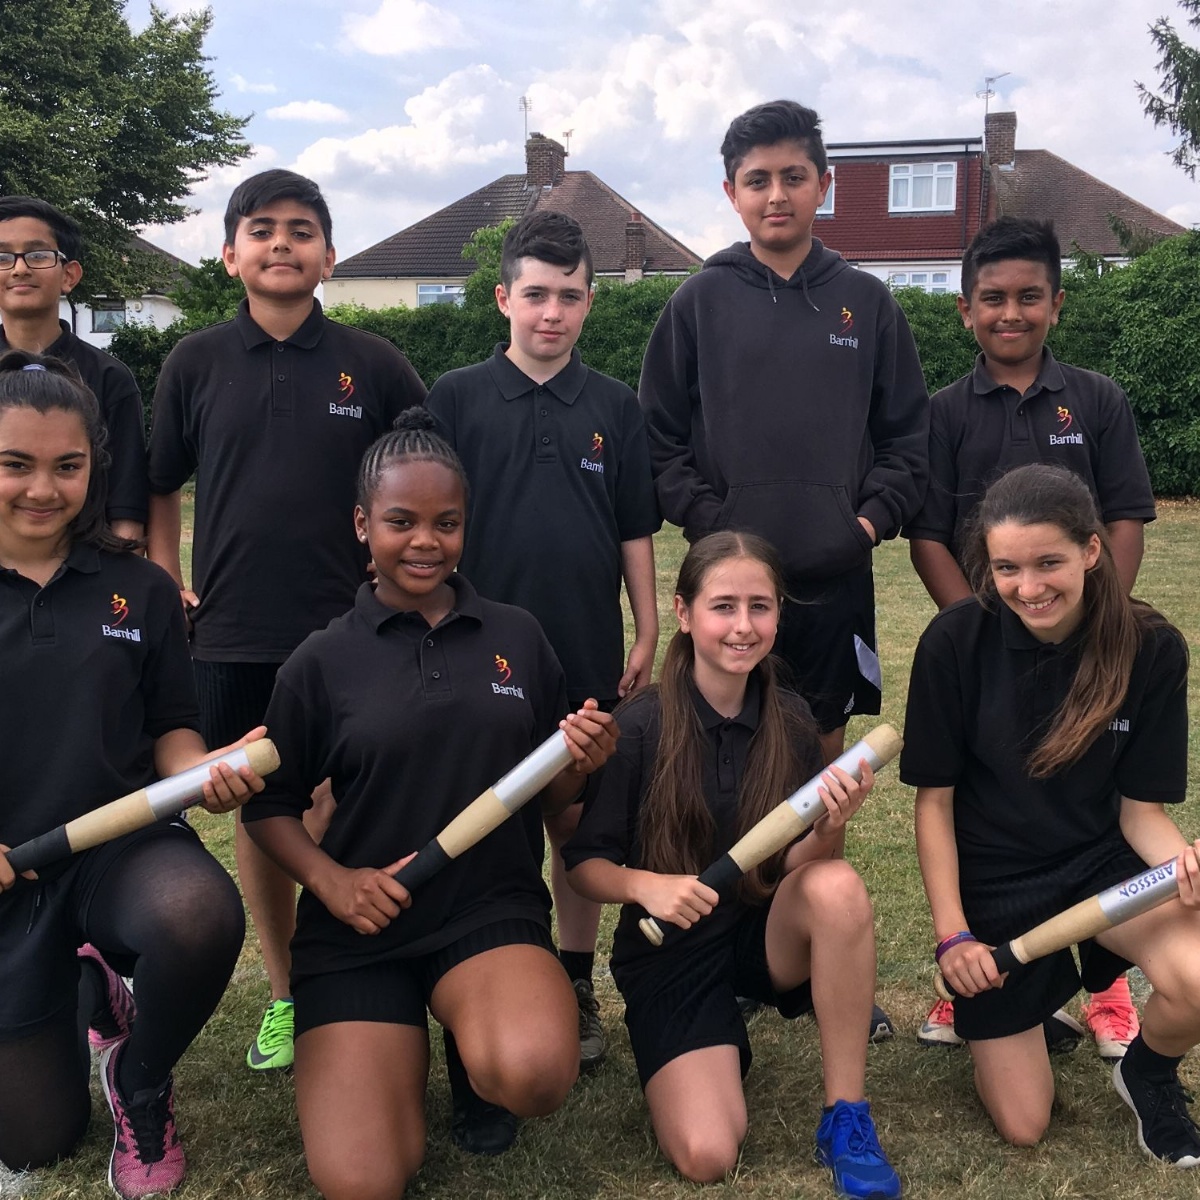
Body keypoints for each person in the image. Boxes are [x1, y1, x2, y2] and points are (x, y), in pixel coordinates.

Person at [241, 409, 618, 1197]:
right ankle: (393, 1052)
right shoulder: (321, 660)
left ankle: (472, 1052)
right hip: (361, 928)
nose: (425, 542)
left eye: (446, 523)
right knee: (364, 1181)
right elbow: (268, 807)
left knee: (534, 1072)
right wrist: (333, 884)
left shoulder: (517, 635)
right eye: (401, 522)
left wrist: (579, 764)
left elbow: (553, 799)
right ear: (362, 524)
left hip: (486, 909)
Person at [638, 99, 928, 1041]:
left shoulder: (867, 304)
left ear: (823, 186)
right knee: (714, 764)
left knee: (823, 776)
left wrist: (864, 524)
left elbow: (908, 444)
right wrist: (717, 528)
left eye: (793, 176)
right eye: (756, 180)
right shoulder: (698, 302)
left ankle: (813, 959)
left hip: (832, 588)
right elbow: (659, 443)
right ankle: (719, 960)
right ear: (731, 192)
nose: (776, 194)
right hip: (730, 592)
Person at [146, 169, 427, 1074]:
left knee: (347, 803)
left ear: (330, 257)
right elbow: (160, 483)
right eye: (262, 229)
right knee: (263, 814)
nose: (281, 244)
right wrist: (166, 576)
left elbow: (425, 480)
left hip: (353, 636)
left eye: (301, 231)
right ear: (230, 255)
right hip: (232, 635)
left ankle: (356, 972)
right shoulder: (193, 362)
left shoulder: (374, 364)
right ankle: (285, 991)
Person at [0, 352, 268, 1199]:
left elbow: (172, 731)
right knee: (35, 1140)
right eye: (15, 464)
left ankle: (139, 1078)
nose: (42, 489)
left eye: (67, 466)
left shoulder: (141, 588)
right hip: (9, 872)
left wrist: (200, 772)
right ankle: (91, 987)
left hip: (116, 850)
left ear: (95, 468)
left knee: (197, 914)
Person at [564, 531, 901, 1199]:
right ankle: (708, 1044)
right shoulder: (640, 726)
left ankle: (846, 1116)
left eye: (760, 606)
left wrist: (828, 828)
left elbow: (795, 867)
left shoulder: (792, 720)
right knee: (707, 1153)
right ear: (683, 612)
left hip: (758, 932)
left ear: (779, 613)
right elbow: (584, 866)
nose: (743, 626)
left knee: (836, 885)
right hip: (670, 954)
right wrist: (647, 887)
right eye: (723, 606)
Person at [905, 217, 1156, 1056]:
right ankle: (970, 975)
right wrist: (975, 634)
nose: (1009, 313)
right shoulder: (942, 413)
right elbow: (929, 535)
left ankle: (1106, 985)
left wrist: (1100, 626)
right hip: (986, 655)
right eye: (992, 299)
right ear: (965, 310)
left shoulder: (1097, 399)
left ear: (1056, 302)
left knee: (1090, 799)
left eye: (1028, 297)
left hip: (1086, 645)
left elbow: (1125, 517)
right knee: (985, 801)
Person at [902, 462, 1200, 1166]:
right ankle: (1034, 1008)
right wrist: (953, 937)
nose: (1028, 588)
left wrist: (1182, 865)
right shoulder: (954, 642)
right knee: (1024, 1123)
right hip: (997, 880)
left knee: (1196, 979)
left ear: (1091, 550)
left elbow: (1140, 814)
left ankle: (1148, 1073)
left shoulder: (1151, 647)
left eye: (1048, 563)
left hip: (1101, 866)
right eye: (1007, 568)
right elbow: (934, 805)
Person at [426, 210, 661, 1072]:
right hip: (474, 654)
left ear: (590, 302)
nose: (551, 312)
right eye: (535, 295)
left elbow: (634, 527)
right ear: (503, 299)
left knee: (574, 819)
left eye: (568, 295)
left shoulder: (616, 406)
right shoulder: (454, 398)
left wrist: (647, 624)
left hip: (582, 646)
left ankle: (572, 977)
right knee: (481, 817)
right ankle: (475, 974)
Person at [0, 196, 148, 542]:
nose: (19, 269)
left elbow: (126, 507)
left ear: (69, 275)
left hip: (88, 564)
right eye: (3, 257)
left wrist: (122, 569)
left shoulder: (109, 378)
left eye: (38, 255)